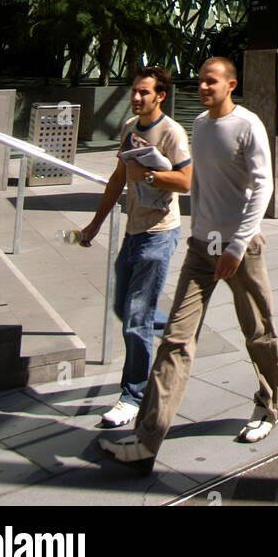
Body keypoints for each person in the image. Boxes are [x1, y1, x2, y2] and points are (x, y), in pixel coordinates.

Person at [99, 56, 278, 472]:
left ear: (231, 85)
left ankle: (269, 406)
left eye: (212, 81)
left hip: (242, 248)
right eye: (200, 80)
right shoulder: (199, 125)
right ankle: (146, 440)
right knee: (177, 340)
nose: (203, 87)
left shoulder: (248, 125)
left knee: (258, 331)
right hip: (202, 246)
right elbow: (196, 184)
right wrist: (197, 231)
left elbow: (263, 185)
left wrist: (237, 246)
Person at [79, 66, 192, 428]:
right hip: (133, 231)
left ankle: (133, 395)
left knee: (136, 317)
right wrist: (95, 223)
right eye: (135, 91)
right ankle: (180, 329)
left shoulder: (172, 132)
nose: (137, 97)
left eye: (145, 92)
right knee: (122, 306)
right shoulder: (130, 128)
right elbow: (117, 178)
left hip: (160, 232)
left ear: (160, 95)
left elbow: (187, 181)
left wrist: (153, 175)